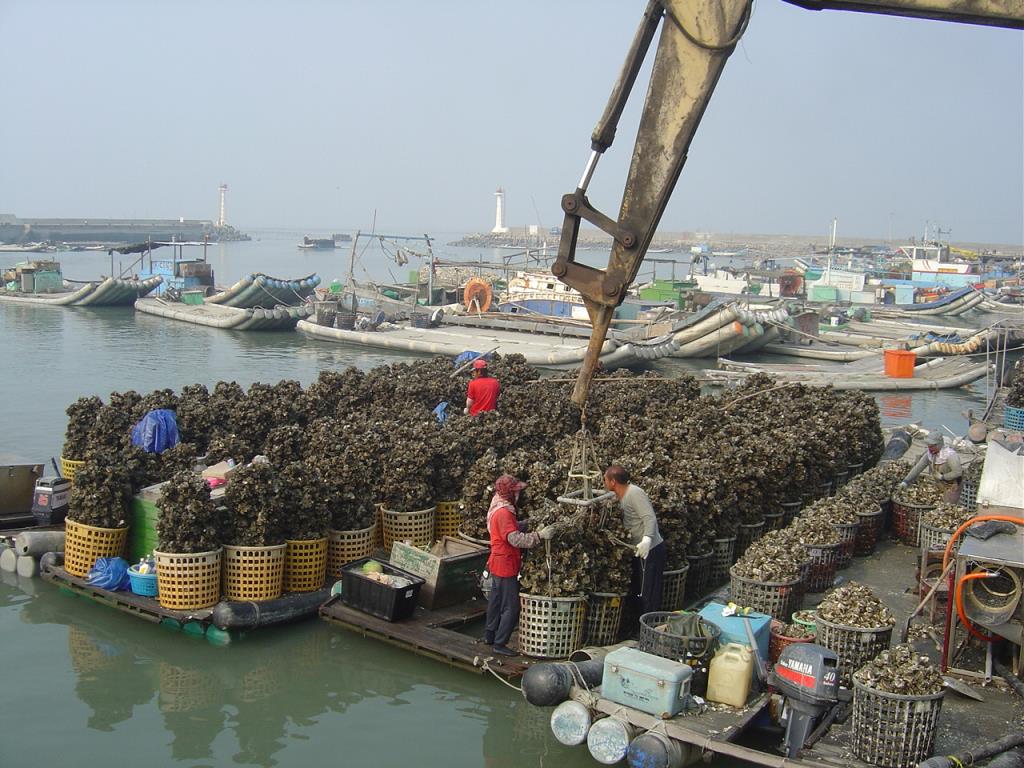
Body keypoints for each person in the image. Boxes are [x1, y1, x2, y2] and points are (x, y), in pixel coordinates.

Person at [483, 474, 553, 656]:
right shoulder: (505, 512)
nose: (519, 494)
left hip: (496, 562)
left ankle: (489, 635)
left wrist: (526, 523)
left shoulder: (497, 504)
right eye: (517, 491)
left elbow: (508, 529)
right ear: (510, 493)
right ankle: (500, 644)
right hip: (505, 564)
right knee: (511, 607)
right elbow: (514, 539)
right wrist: (540, 535)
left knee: (496, 602)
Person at [603, 464, 666, 632]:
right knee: (638, 591)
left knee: (649, 593)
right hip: (638, 551)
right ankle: (639, 628)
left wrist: (647, 540)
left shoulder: (635, 493)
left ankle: (650, 630)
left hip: (651, 550)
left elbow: (650, 518)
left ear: (613, 481)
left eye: (605, 479)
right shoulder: (619, 496)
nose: (604, 483)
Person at [901, 431, 963, 503]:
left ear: (939, 444)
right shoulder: (930, 454)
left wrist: (942, 477)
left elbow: (958, 472)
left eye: (932, 446)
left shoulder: (950, 455)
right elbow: (918, 468)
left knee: (947, 506)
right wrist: (906, 481)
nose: (930, 448)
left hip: (952, 486)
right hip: (939, 484)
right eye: (928, 446)